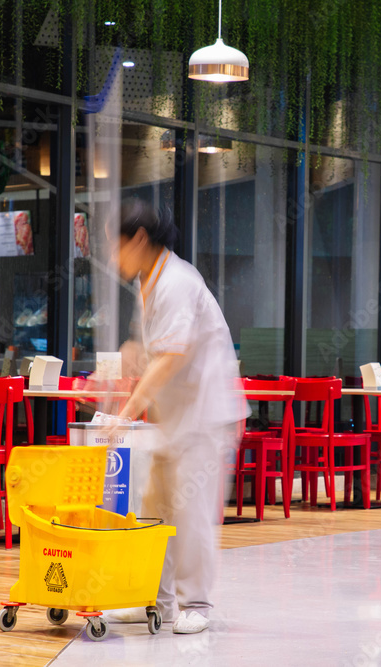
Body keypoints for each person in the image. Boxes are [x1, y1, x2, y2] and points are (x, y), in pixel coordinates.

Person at [106, 198, 246, 634]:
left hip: (205, 416)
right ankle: (157, 601)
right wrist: (108, 373)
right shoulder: (149, 282)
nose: (114, 258)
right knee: (156, 507)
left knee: (192, 511)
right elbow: (144, 348)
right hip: (174, 418)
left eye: (118, 247)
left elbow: (168, 357)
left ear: (140, 240)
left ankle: (196, 604)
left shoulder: (178, 281)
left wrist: (126, 412)